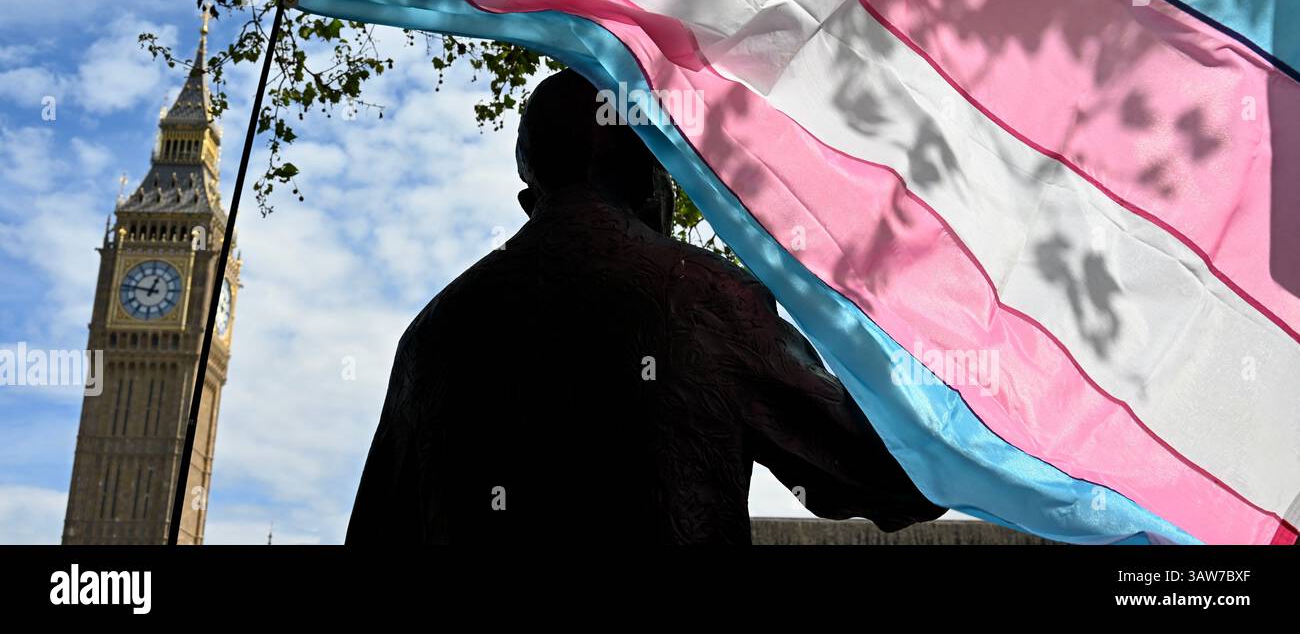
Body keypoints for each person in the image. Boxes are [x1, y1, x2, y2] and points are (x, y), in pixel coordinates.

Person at [346, 68, 946, 543]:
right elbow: (897, 478)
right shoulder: (708, 296)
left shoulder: (431, 336)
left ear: (532, 197)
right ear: (650, 180)